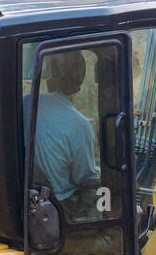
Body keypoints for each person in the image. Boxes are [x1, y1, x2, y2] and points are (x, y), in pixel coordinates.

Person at [31, 50, 102, 213]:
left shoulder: (28, 101)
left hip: (25, 194)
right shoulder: (80, 124)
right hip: (56, 203)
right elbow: (85, 178)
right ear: (80, 78)